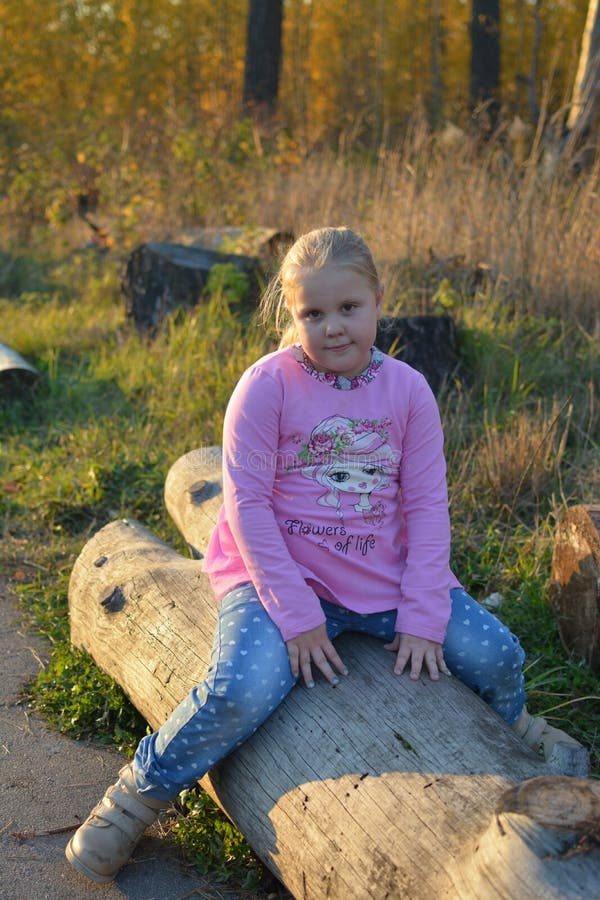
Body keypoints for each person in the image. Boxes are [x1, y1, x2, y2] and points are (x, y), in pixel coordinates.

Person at [66, 226, 584, 884]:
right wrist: (297, 613)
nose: (333, 327)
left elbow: (426, 507)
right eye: (313, 313)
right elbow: (248, 506)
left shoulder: (406, 392)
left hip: (387, 576)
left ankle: (518, 725)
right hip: (280, 573)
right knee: (239, 688)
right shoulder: (265, 388)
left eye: (348, 308)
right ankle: (139, 794)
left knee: (497, 652)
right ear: (291, 313)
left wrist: (424, 613)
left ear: (377, 300)